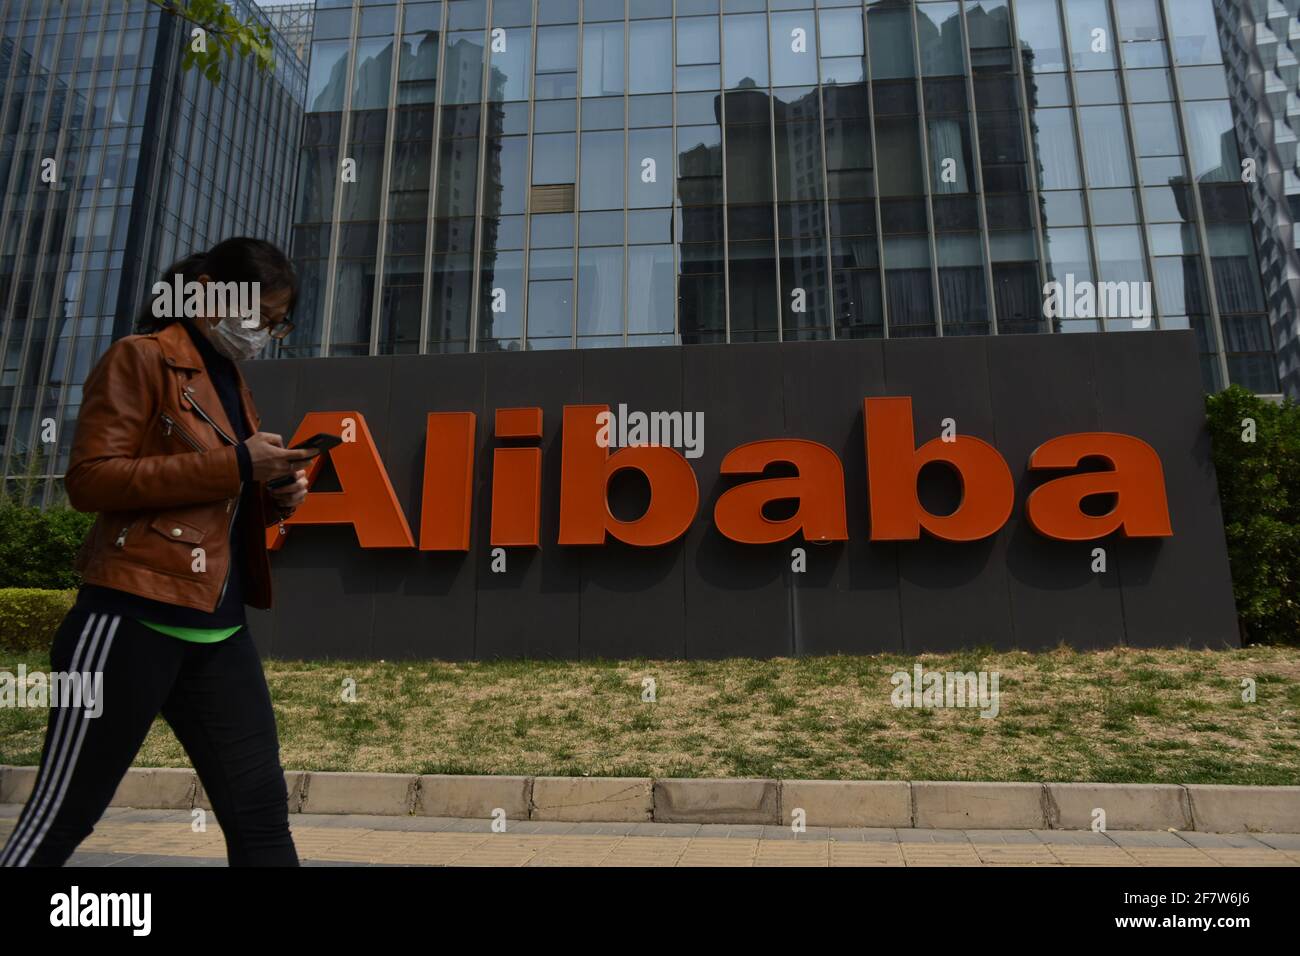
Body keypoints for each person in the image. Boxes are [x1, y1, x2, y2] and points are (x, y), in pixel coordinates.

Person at [0, 237, 318, 867]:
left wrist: (274, 493)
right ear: (207, 293)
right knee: (64, 813)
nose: (262, 333)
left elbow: (212, 502)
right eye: (258, 316)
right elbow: (91, 480)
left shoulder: (229, 380)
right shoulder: (139, 358)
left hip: (219, 629)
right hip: (130, 618)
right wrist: (236, 464)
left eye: (275, 323)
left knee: (261, 819)